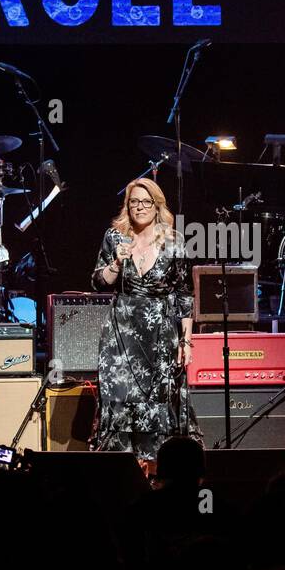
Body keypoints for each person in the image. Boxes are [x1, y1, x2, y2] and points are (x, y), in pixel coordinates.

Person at [91, 178, 200, 464]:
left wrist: (186, 340)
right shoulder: (114, 237)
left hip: (160, 335)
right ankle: (121, 471)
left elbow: (184, 294)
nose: (139, 207)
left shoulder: (174, 241)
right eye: (134, 202)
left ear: (157, 205)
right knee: (117, 398)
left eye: (145, 202)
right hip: (121, 333)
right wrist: (115, 263)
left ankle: (156, 473)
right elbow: (99, 282)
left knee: (157, 402)